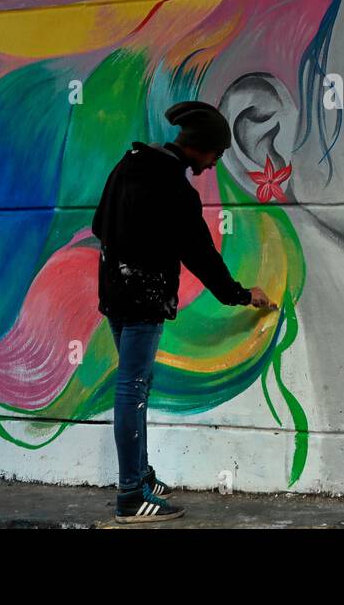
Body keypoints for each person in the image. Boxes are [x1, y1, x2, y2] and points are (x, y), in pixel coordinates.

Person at [92, 99, 276, 523]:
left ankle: (141, 479)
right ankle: (129, 497)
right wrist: (241, 294)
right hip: (144, 299)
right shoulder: (174, 187)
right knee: (132, 389)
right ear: (200, 147)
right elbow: (201, 255)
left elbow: (100, 224)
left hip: (115, 294)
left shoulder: (129, 165)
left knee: (133, 386)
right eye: (217, 154)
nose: (214, 164)